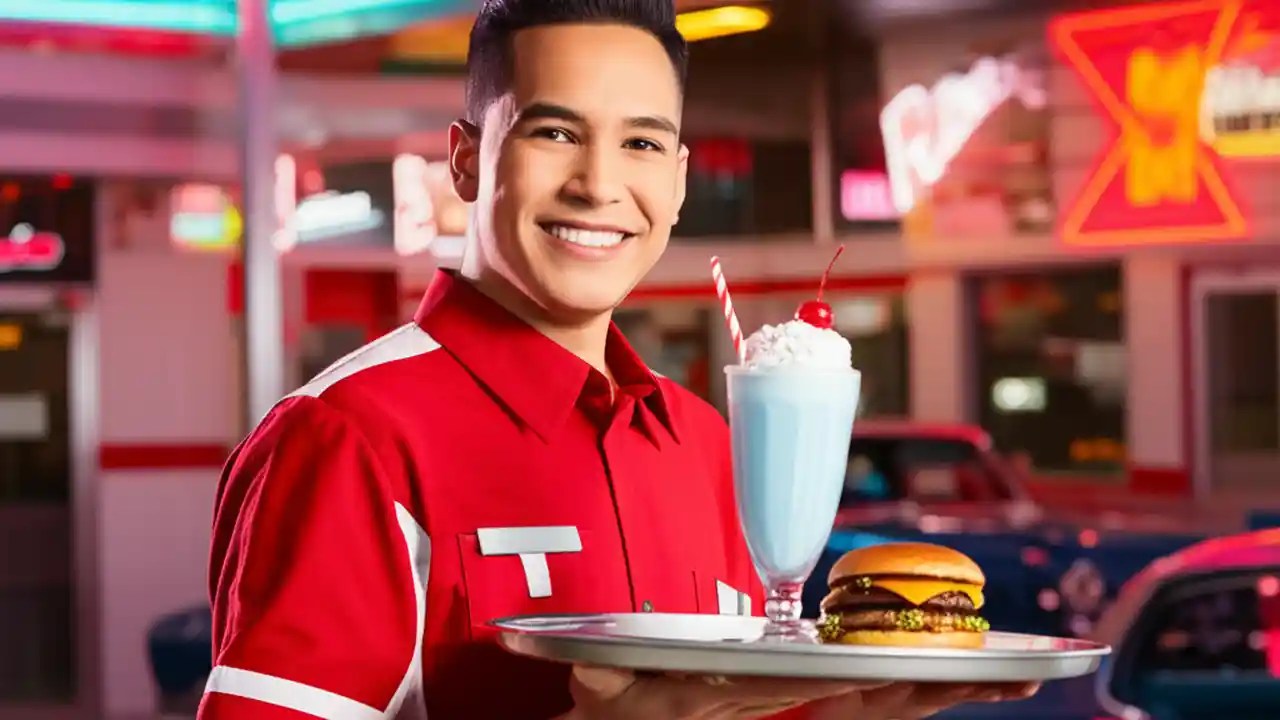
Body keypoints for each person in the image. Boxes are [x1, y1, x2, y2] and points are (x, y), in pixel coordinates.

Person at [197, 1, 1040, 718]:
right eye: (555, 131)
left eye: (640, 144)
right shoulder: (348, 438)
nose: (599, 184)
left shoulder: (709, 444)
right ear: (465, 159)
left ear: (676, 181)